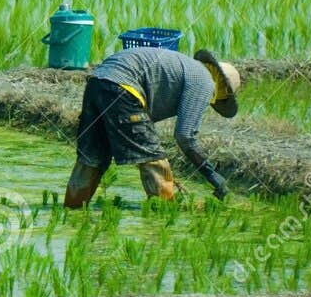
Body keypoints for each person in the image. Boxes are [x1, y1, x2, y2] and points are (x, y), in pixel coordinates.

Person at [64, 46, 241, 208]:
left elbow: (141, 120)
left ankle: (72, 209)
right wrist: (213, 177)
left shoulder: (185, 68)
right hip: (124, 87)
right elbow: (185, 136)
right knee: (154, 160)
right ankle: (163, 215)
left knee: (91, 159)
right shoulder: (205, 82)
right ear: (224, 89)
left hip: (97, 81)